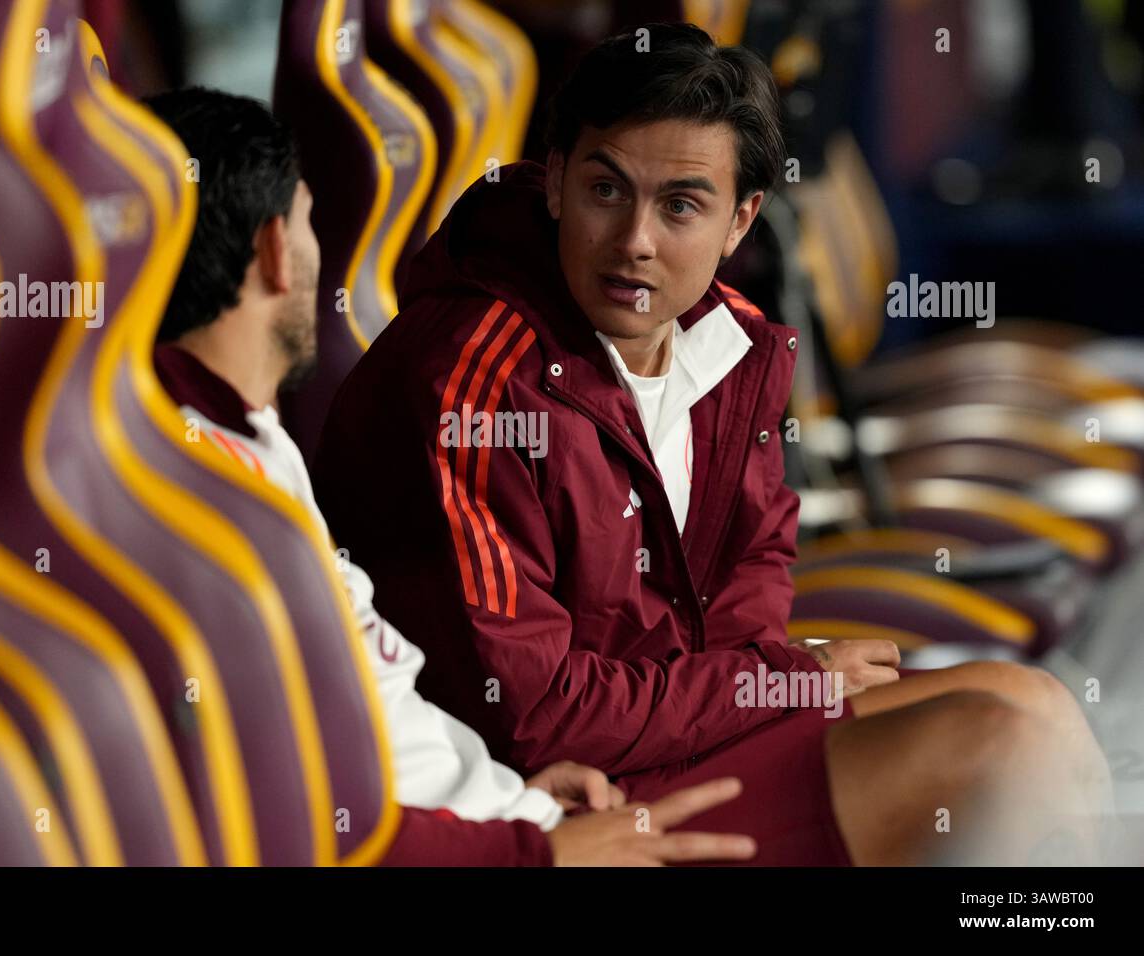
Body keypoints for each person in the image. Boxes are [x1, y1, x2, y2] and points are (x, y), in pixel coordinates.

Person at [311, 23, 1116, 865]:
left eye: (681, 206)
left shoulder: (732, 342)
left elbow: (753, 573)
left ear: (741, 221)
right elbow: (532, 713)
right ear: (553, 182)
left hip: (671, 728)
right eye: (605, 190)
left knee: (1035, 701)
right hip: (549, 788)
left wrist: (762, 681)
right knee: (994, 746)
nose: (636, 242)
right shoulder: (472, 380)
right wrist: (775, 684)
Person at [145, 85, 763, 867]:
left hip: (518, 809)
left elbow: (380, 715)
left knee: (959, 705)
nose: (636, 241)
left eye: (681, 206)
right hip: (508, 843)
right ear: (275, 249)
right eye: (309, 219)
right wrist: (532, 850)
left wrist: (518, 801)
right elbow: (303, 814)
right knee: (957, 739)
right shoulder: (207, 493)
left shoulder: (251, 441)